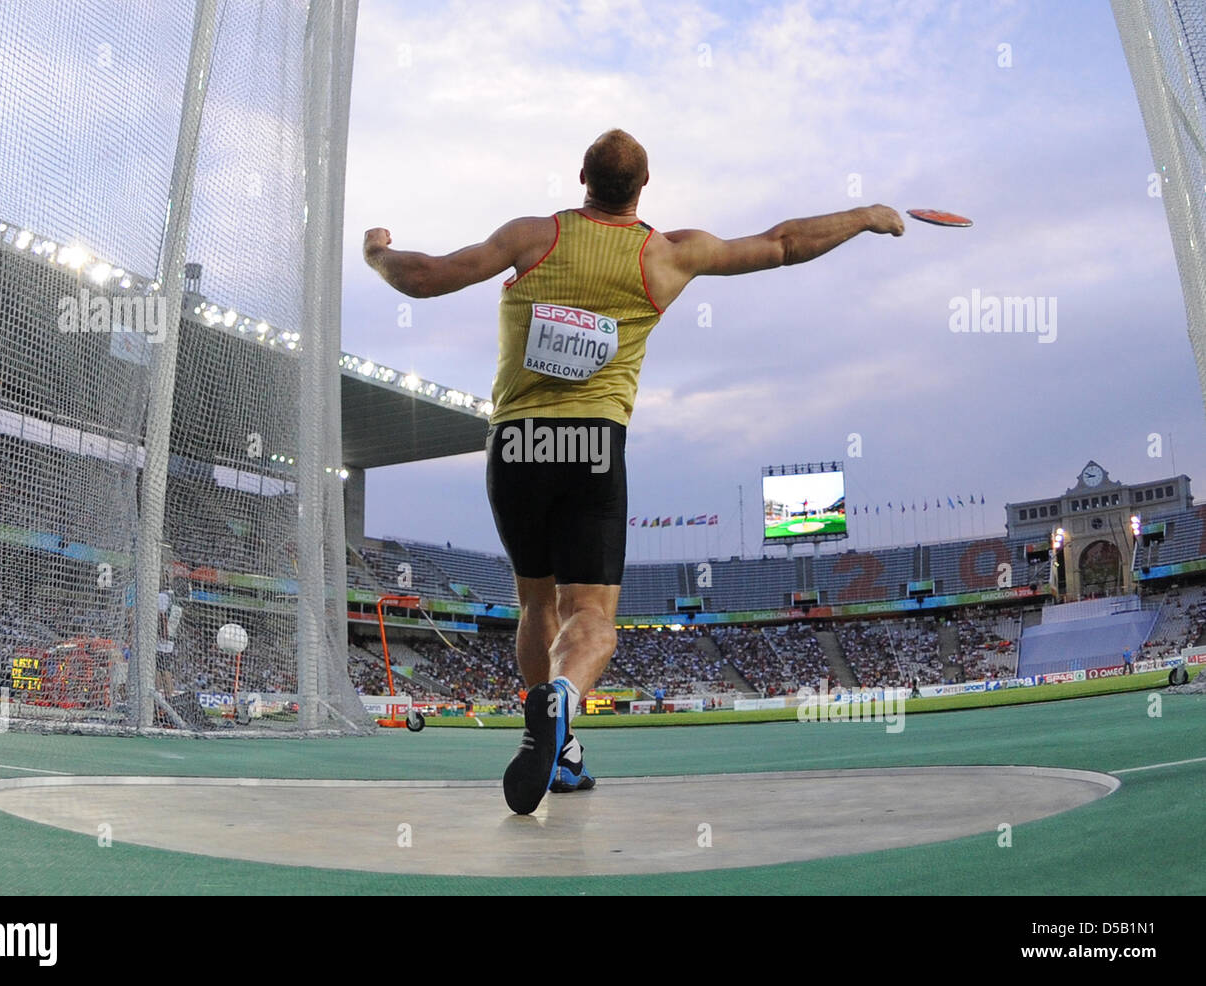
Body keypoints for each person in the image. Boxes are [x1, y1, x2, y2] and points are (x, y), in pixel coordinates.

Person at [364, 128, 904, 814]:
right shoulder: (667, 255)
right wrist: (863, 216)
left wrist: (378, 252)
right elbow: (783, 243)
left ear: (581, 174)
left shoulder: (533, 237)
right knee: (591, 614)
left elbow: (424, 277)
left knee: (536, 601)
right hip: (593, 445)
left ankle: (556, 743)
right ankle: (563, 701)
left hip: (518, 445)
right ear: (642, 189)